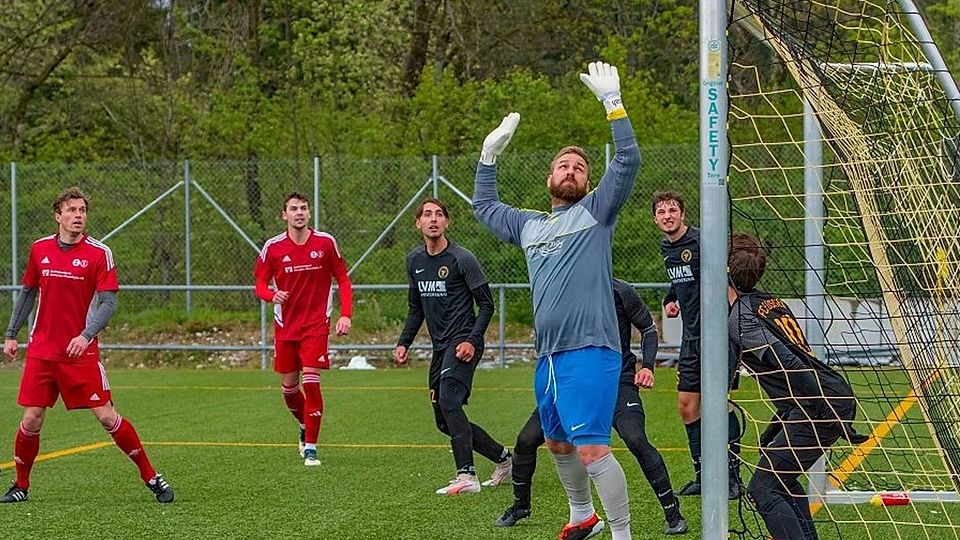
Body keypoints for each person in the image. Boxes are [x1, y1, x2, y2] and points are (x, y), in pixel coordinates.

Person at [474, 61, 637, 540]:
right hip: (548, 357)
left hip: (590, 350)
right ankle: (581, 515)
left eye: (580, 167)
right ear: (549, 178)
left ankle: (623, 534)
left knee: (591, 449)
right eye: (563, 165)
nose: (571, 171)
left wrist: (613, 103)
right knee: (558, 442)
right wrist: (488, 157)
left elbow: (626, 161)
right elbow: (484, 207)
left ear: (588, 183)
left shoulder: (596, 213)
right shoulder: (530, 225)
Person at [1, 187, 173, 504]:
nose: (78, 215)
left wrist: (86, 335)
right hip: (41, 351)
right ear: (58, 216)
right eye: (72, 210)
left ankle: (151, 476)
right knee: (31, 419)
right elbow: (27, 293)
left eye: (82, 210)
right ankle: (21, 486)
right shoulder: (40, 249)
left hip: (81, 353)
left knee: (107, 416)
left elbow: (108, 303)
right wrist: (11, 334)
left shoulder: (99, 253)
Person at [495, 278, 687, 535]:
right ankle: (522, 506)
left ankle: (673, 514)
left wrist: (648, 367)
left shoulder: (620, 291)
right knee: (527, 439)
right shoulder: (561, 290)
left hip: (616, 382)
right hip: (574, 384)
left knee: (635, 439)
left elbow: (649, 329)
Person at [727, 232, 867, 540]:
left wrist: (822, 407)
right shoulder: (766, 301)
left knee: (763, 489)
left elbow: (790, 362)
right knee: (781, 476)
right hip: (821, 395)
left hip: (820, 401)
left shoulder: (740, 317)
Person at [393, 198, 513, 495]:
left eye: (439, 214)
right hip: (439, 347)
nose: (433, 219)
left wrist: (472, 341)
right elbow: (415, 308)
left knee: (450, 401)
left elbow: (485, 305)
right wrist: (403, 343)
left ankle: (467, 475)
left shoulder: (462, 258)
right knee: (444, 422)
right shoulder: (414, 261)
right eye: (427, 215)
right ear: (417, 223)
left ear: (447, 222)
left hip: (463, 342)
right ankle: (505, 459)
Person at [652, 190, 741, 498]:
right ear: (655, 219)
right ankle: (703, 476)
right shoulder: (667, 248)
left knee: (719, 404)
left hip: (718, 336)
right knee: (688, 407)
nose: (667, 216)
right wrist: (671, 298)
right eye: (662, 212)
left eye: (672, 210)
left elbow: (730, 280)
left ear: (683, 214)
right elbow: (681, 280)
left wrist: (736, 323)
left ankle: (732, 478)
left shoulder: (704, 241)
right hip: (691, 338)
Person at [254, 192, 352, 466]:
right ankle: (304, 425)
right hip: (286, 326)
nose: (299, 213)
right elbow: (260, 285)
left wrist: (345, 315)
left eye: (303, 209)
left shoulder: (325, 243)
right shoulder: (272, 248)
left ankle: (311, 448)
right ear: (284, 215)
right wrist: (272, 295)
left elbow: (343, 279)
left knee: (311, 380)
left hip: (316, 325)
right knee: (289, 390)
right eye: (293, 209)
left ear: (309, 214)